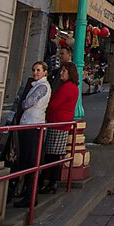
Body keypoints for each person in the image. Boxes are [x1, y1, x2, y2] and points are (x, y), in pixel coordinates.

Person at [12, 61, 51, 206]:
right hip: (29, 124)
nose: (35, 72)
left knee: (30, 161)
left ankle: (30, 196)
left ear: (45, 72)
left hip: (33, 126)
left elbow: (27, 103)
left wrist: (22, 103)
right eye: (34, 70)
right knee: (28, 161)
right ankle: (28, 194)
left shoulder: (42, 87)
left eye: (39, 70)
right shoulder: (38, 85)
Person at [38, 63, 80, 194]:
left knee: (52, 155)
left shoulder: (67, 88)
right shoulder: (72, 87)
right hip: (62, 123)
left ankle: (49, 182)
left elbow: (53, 105)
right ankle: (48, 182)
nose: (61, 74)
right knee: (53, 155)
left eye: (64, 71)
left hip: (58, 123)